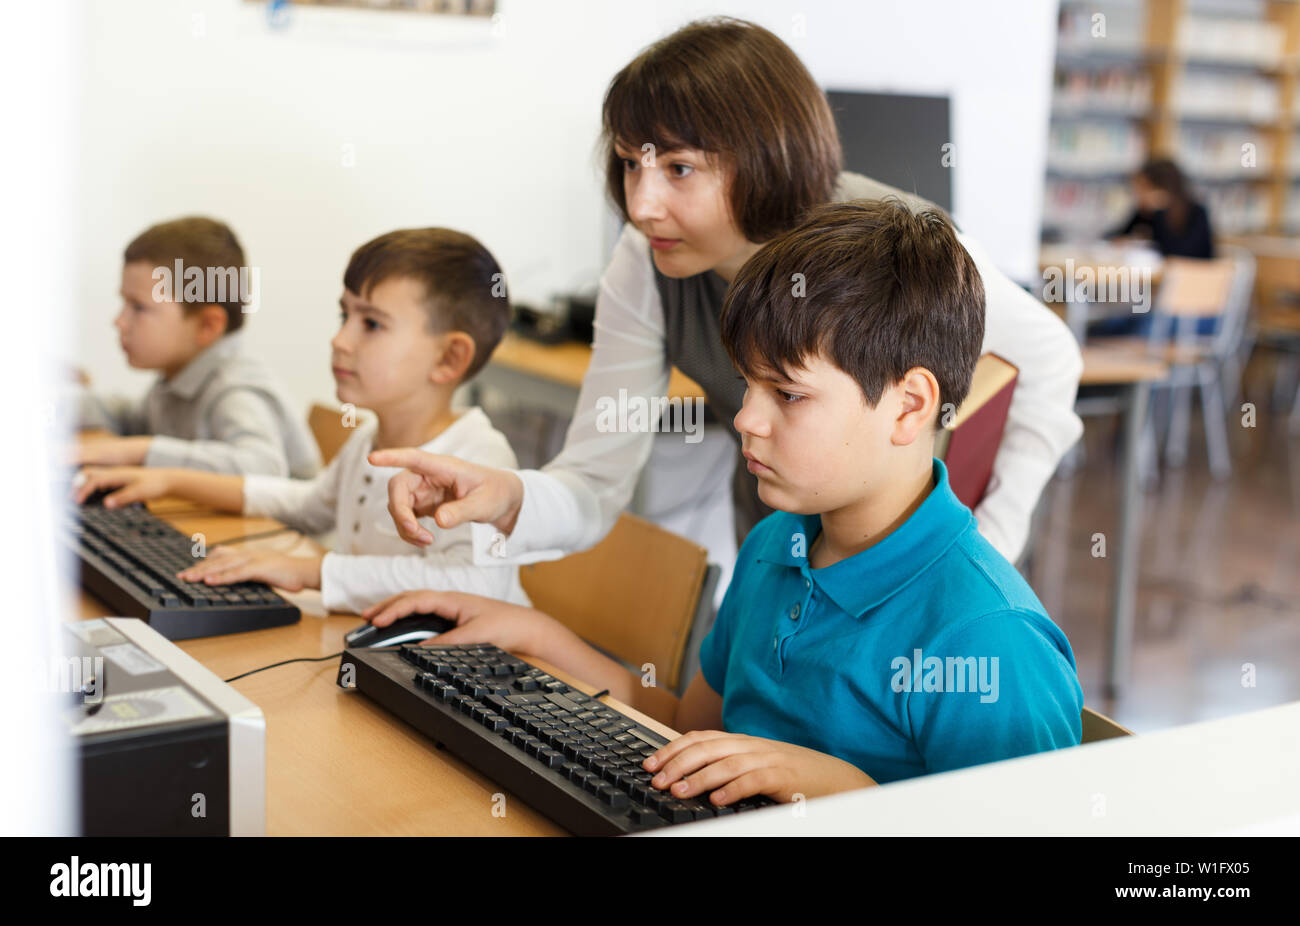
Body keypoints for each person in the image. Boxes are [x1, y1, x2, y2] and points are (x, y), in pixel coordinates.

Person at [361, 200, 1084, 805]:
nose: (746, 419)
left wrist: (843, 793)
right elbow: (684, 735)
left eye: (789, 395)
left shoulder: (990, 638)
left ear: (909, 406)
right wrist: (533, 634)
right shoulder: (779, 543)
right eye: (748, 386)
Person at [374, 17, 1082, 571]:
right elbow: (595, 481)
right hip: (780, 549)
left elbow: (1049, 353)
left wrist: (997, 532)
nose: (642, 204)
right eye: (628, 165)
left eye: (680, 168)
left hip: (918, 553)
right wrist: (505, 494)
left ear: (769, 157)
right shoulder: (644, 261)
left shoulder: (890, 242)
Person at [73, 229, 529, 615]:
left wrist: (310, 570)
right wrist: (170, 481)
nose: (340, 339)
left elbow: (473, 587)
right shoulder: (370, 438)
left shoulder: (480, 460)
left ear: (449, 358)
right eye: (343, 314)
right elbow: (311, 504)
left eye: (370, 324)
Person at [73, 216, 321, 477]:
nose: (119, 321)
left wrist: (141, 451)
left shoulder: (235, 389)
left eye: (138, 307)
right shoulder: (176, 376)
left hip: (274, 521)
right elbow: (128, 417)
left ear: (207, 326)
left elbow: (263, 465)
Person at [1107, 158, 1214, 259]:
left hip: (1194, 274)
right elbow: (1116, 236)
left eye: (1143, 188)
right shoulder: (1145, 212)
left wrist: (1160, 211)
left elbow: (1177, 252)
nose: (1138, 194)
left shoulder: (1196, 212)